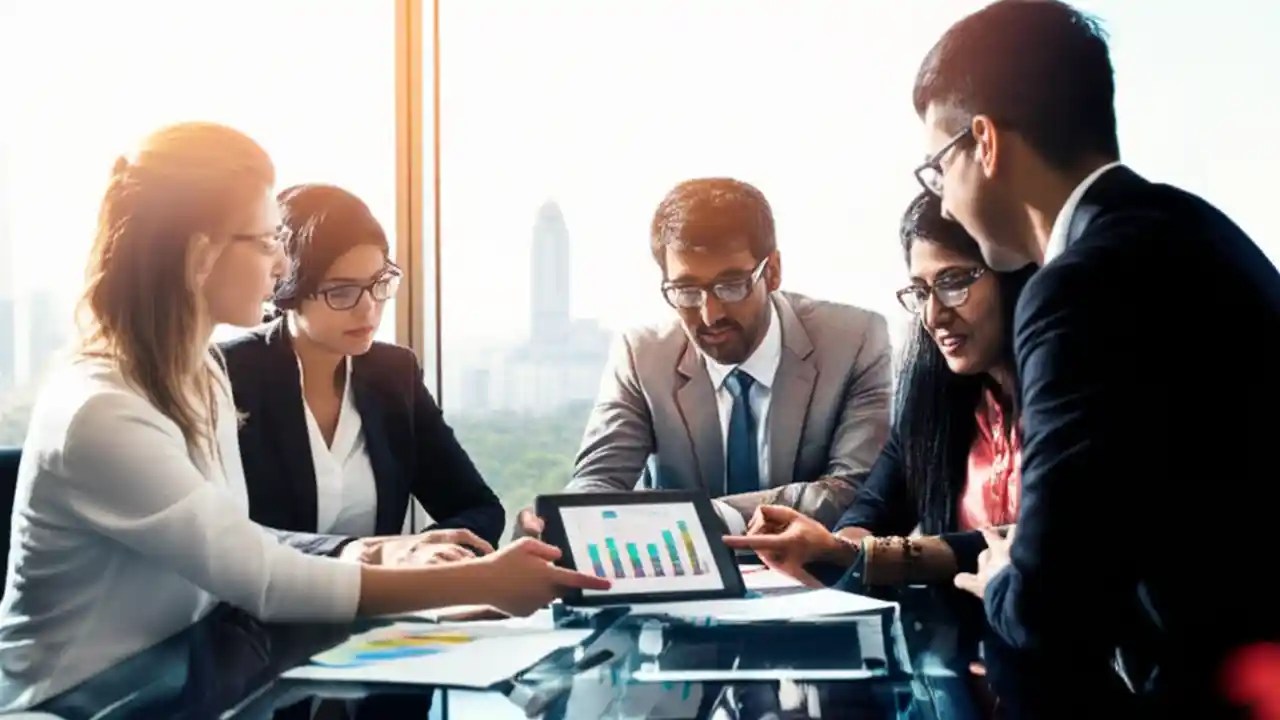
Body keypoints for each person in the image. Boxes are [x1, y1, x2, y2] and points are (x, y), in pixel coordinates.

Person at [0, 122, 608, 711]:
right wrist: (478, 583)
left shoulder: (197, 377)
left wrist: (381, 556)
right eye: (266, 242)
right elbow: (259, 577)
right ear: (199, 256)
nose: (278, 267)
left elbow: (236, 541)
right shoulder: (103, 411)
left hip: (199, 676)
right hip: (91, 701)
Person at [911, 1, 1280, 716]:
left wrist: (998, 580)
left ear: (984, 142)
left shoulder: (1075, 290)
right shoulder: (1194, 228)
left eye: (938, 168)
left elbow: (1055, 606)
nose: (947, 206)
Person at [516, 177, 892, 537]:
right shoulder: (643, 356)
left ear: (772, 271)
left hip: (813, 583)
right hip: (677, 581)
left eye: (731, 286)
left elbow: (853, 492)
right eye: (686, 290)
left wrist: (712, 518)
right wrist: (563, 520)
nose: (710, 314)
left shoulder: (853, 341)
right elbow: (599, 478)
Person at [723, 192, 1033, 589]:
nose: (934, 315)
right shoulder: (936, 399)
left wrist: (861, 555)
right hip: (962, 644)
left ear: (1013, 274)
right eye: (921, 292)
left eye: (954, 283)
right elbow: (875, 508)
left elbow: (1037, 541)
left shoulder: (1071, 400)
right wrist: (826, 545)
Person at [222, 184, 504, 564]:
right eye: (342, 292)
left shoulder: (393, 375)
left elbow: (478, 508)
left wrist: (423, 553)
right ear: (289, 288)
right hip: (258, 616)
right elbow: (221, 537)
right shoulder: (228, 375)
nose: (368, 308)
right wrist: (373, 554)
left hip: (380, 612)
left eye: (378, 284)